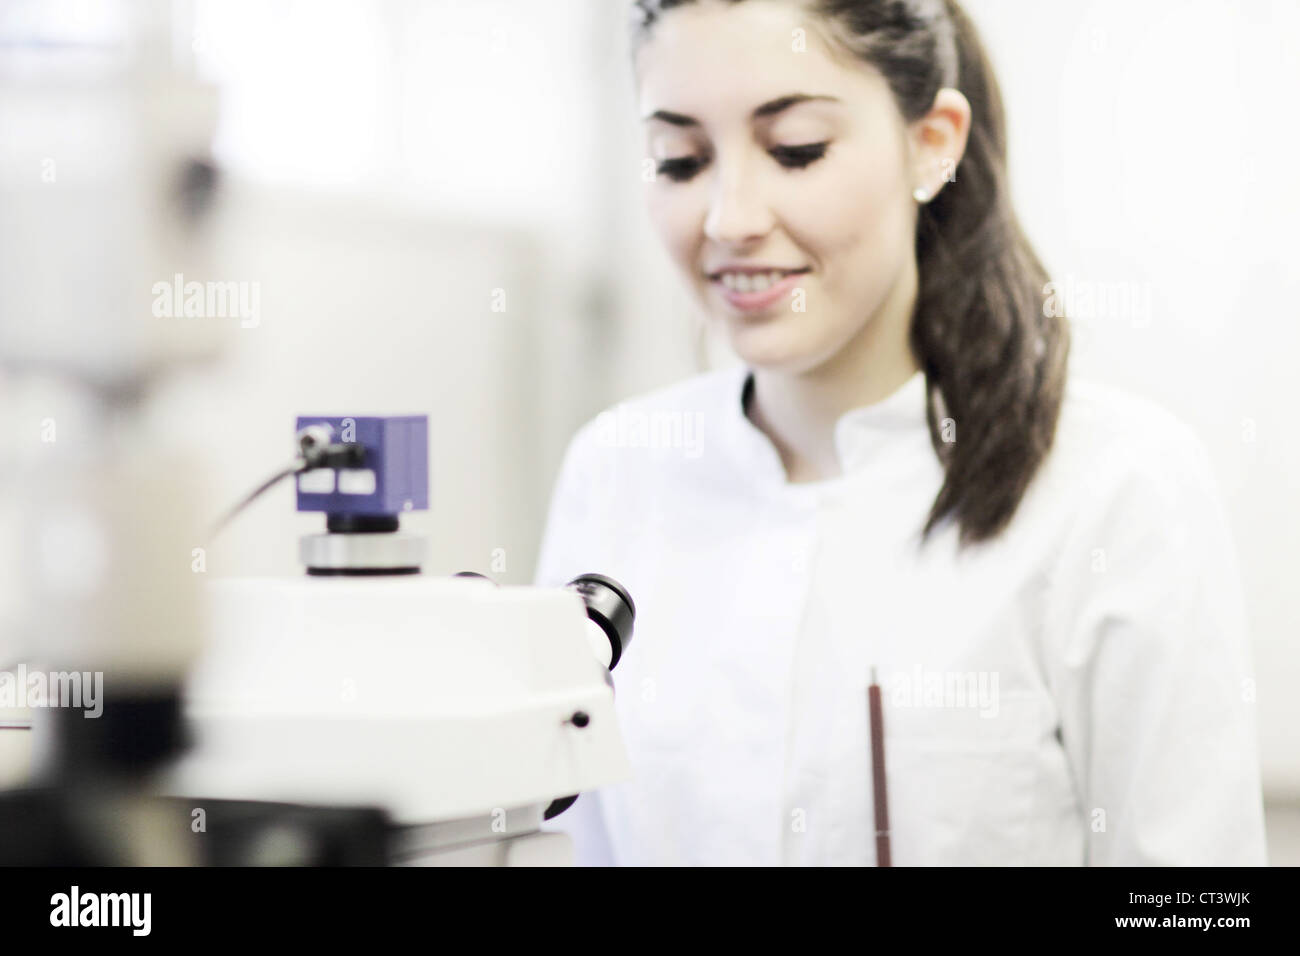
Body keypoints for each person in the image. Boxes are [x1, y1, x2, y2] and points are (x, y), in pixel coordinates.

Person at [534, 0, 1267, 865]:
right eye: (680, 159)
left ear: (933, 142)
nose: (729, 218)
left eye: (796, 149)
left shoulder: (1119, 485)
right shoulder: (616, 470)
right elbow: (564, 842)